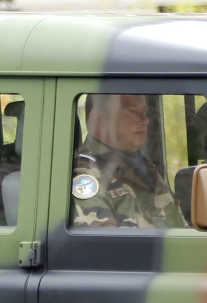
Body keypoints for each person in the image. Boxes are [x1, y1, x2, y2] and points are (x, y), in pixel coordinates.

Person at [72, 94, 185, 228]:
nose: (145, 120)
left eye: (144, 112)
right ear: (99, 120)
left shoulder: (144, 168)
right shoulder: (86, 175)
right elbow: (100, 240)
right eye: (132, 111)